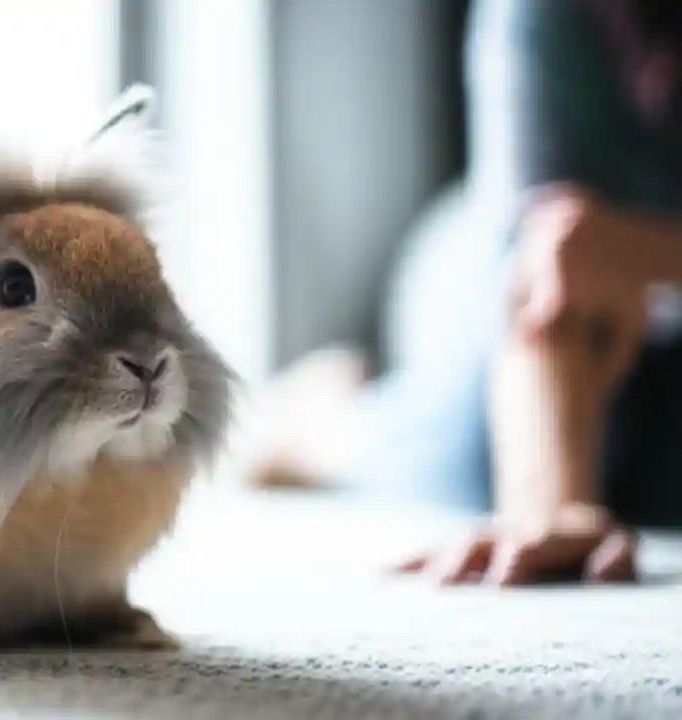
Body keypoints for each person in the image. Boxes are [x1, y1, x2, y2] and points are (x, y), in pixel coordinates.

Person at [252, 0, 682, 585]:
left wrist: (643, 252)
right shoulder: (542, 15)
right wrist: (552, 509)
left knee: (654, 476)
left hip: (651, 305)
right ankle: (326, 430)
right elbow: (551, 263)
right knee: (476, 461)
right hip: (494, 268)